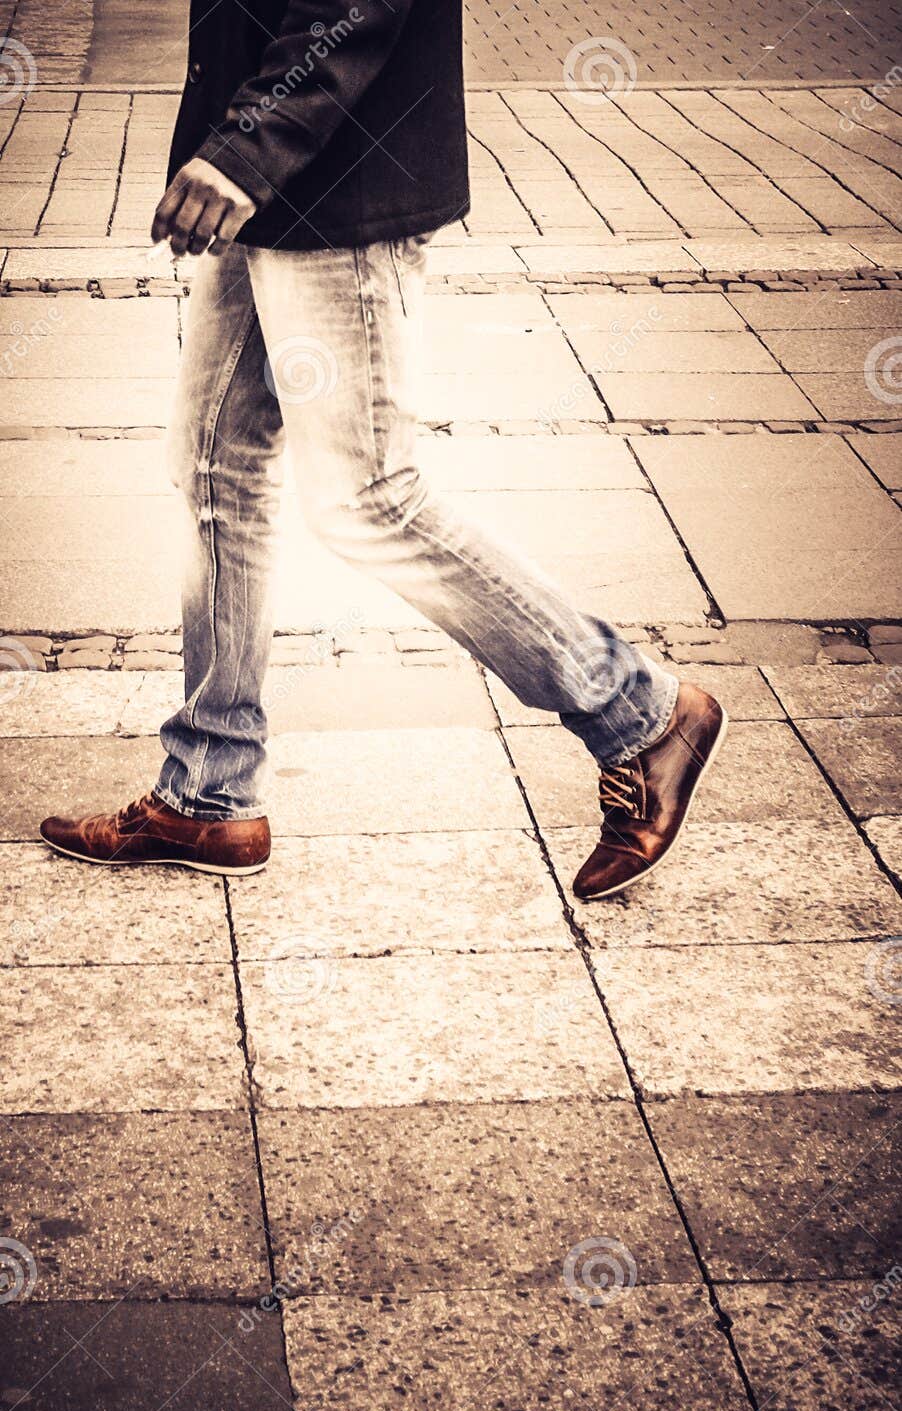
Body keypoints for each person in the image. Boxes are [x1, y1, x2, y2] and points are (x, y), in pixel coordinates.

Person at [40, 0, 726, 901]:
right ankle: (209, 790)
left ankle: (637, 712)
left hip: (337, 175)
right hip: (276, 177)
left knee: (369, 497)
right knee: (214, 467)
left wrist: (250, 144)